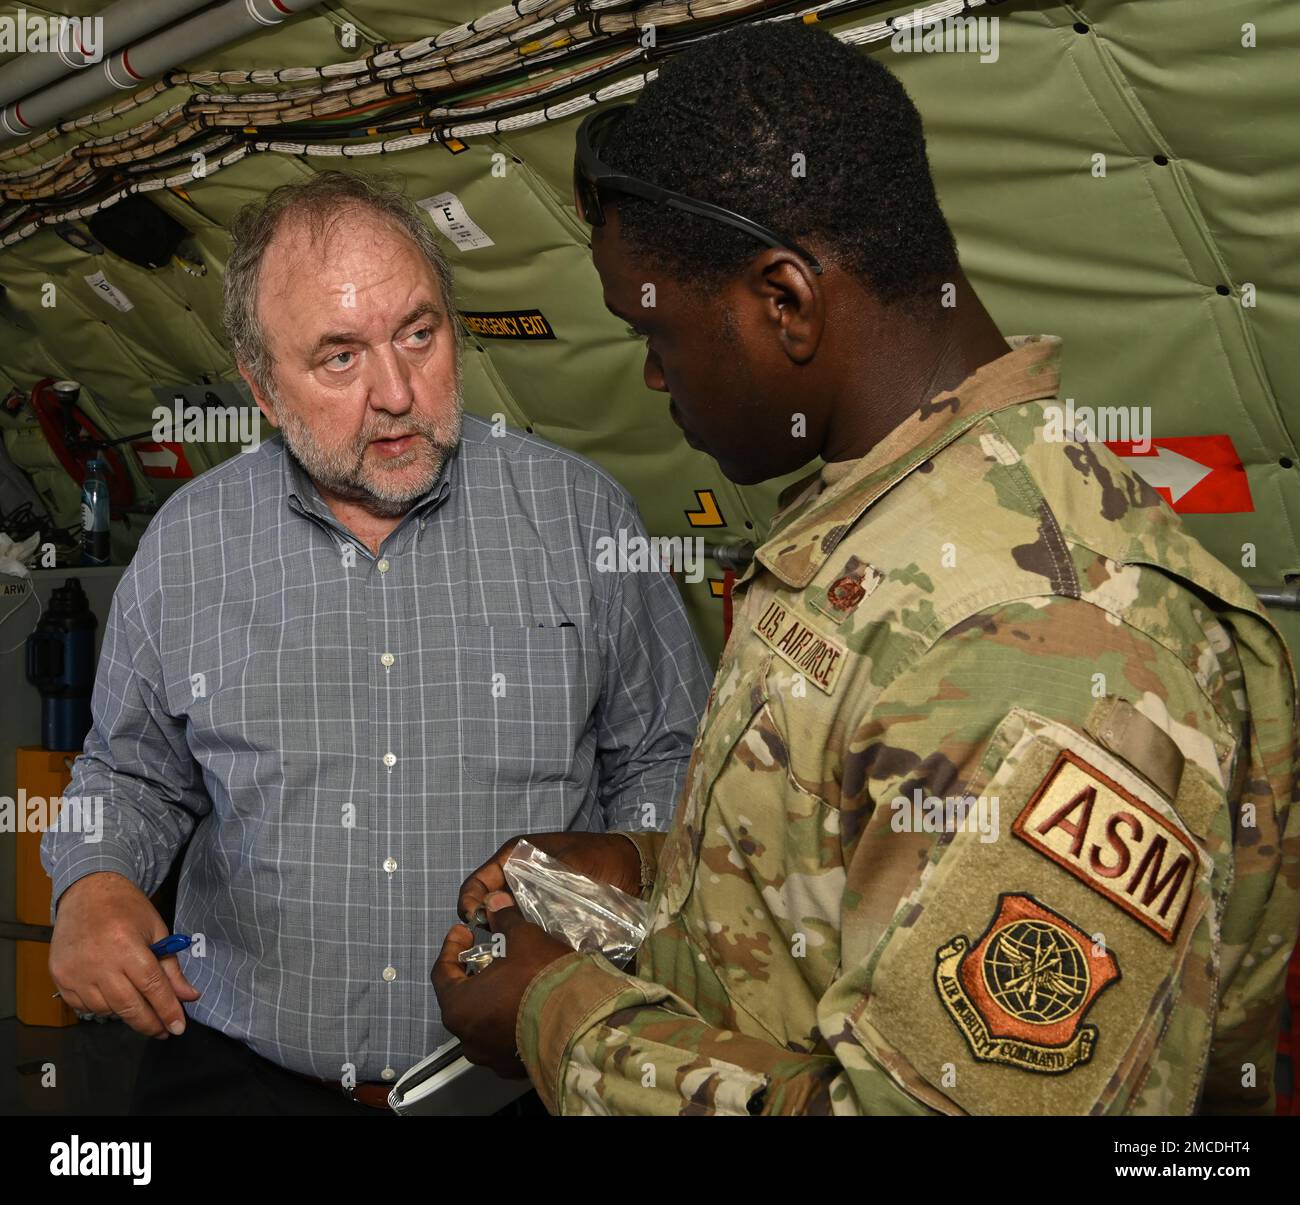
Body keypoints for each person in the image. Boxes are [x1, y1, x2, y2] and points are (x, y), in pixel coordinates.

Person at [433, 23, 1300, 1116]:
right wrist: (645, 872)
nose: (654, 375)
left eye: (652, 331)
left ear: (783, 301)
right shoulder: (885, 526)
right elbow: (859, 885)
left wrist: (549, 1011)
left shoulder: (1040, 640)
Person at [42, 170, 711, 1114]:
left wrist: (605, 911)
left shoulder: (580, 517)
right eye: (339, 358)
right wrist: (92, 884)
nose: (396, 392)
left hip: (518, 1086)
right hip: (241, 1079)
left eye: (418, 334)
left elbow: (668, 755)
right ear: (263, 387)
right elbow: (128, 772)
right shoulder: (189, 544)